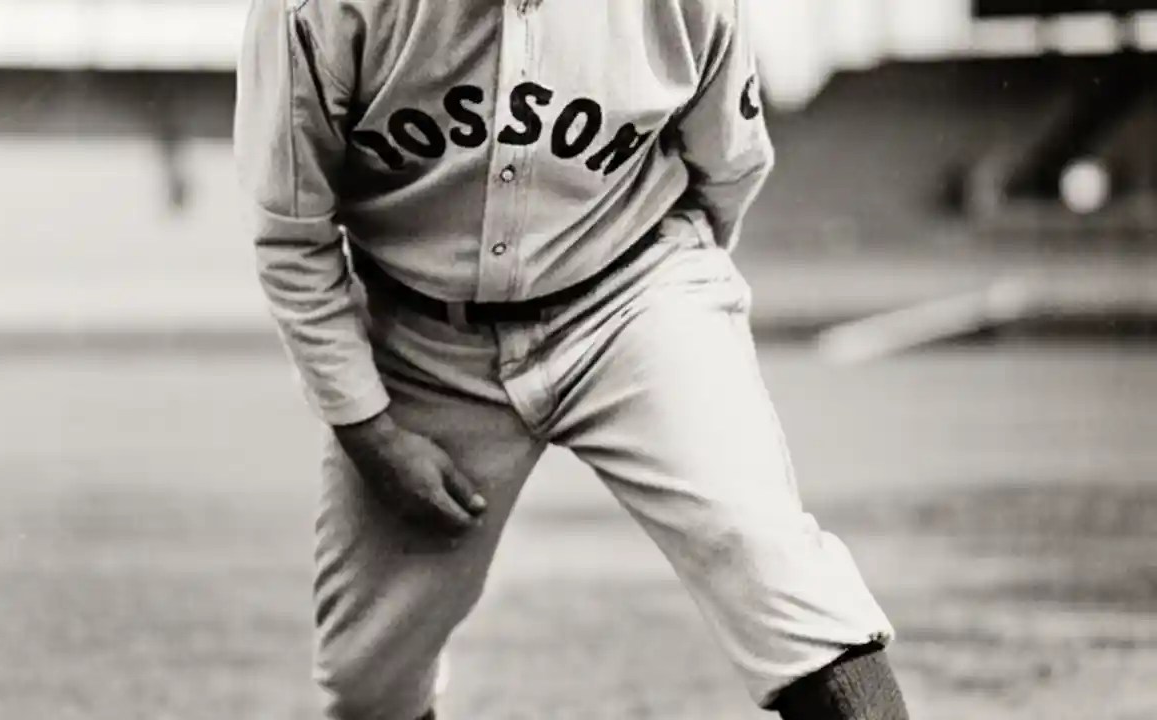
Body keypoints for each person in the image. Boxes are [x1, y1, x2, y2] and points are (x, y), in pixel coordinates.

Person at [234, 0, 910, 717]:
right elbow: (289, 236)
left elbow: (727, 168)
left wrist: (683, 331)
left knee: (764, 554)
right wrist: (369, 432)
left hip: (632, 290)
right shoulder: (316, 8)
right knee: (366, 678)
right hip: (423, 333)